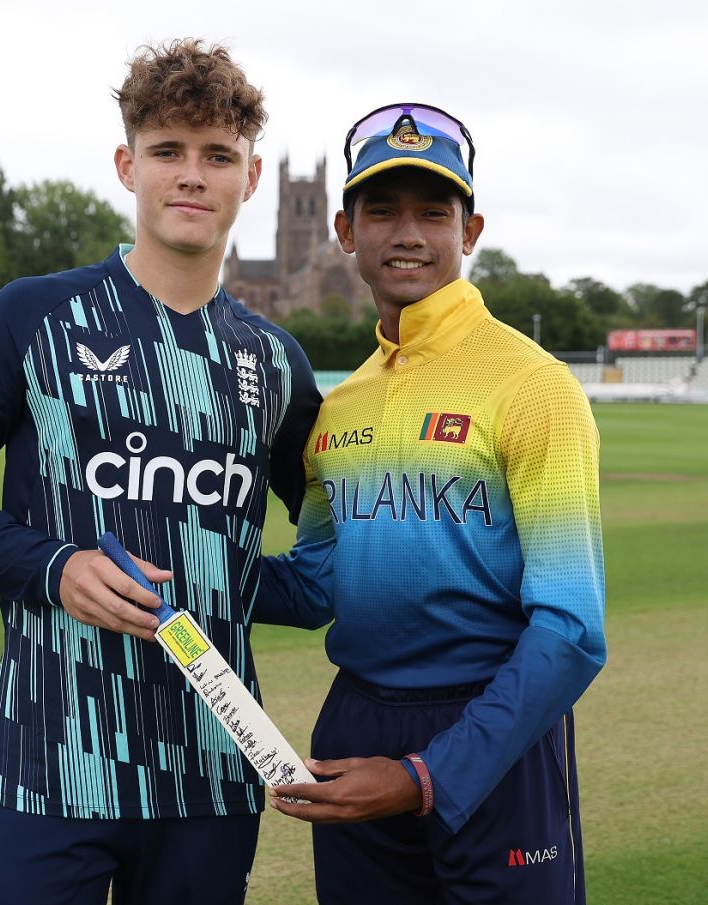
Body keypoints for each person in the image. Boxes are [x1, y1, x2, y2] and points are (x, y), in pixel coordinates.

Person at [0, 39, 320, 905]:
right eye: (168, 151)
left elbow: (326, 554)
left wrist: (232, 582)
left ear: (253, 176)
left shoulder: (277, 363)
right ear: (129, 166)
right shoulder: (34, 316)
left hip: (210, 780)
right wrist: (54, 567)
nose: (192, 175)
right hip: (49, 766)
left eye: (217, 156)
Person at [256, 103, 607, 904]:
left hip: (495, 732)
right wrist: (193, 572)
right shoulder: (339, 407)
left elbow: (572, 629)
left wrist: (425, 775)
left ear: (470, 227)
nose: (406, 232)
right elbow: (315, 584)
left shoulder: (533, 386)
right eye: (381, 209)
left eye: (433, 211)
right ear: (344, 231)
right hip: (356, 729)